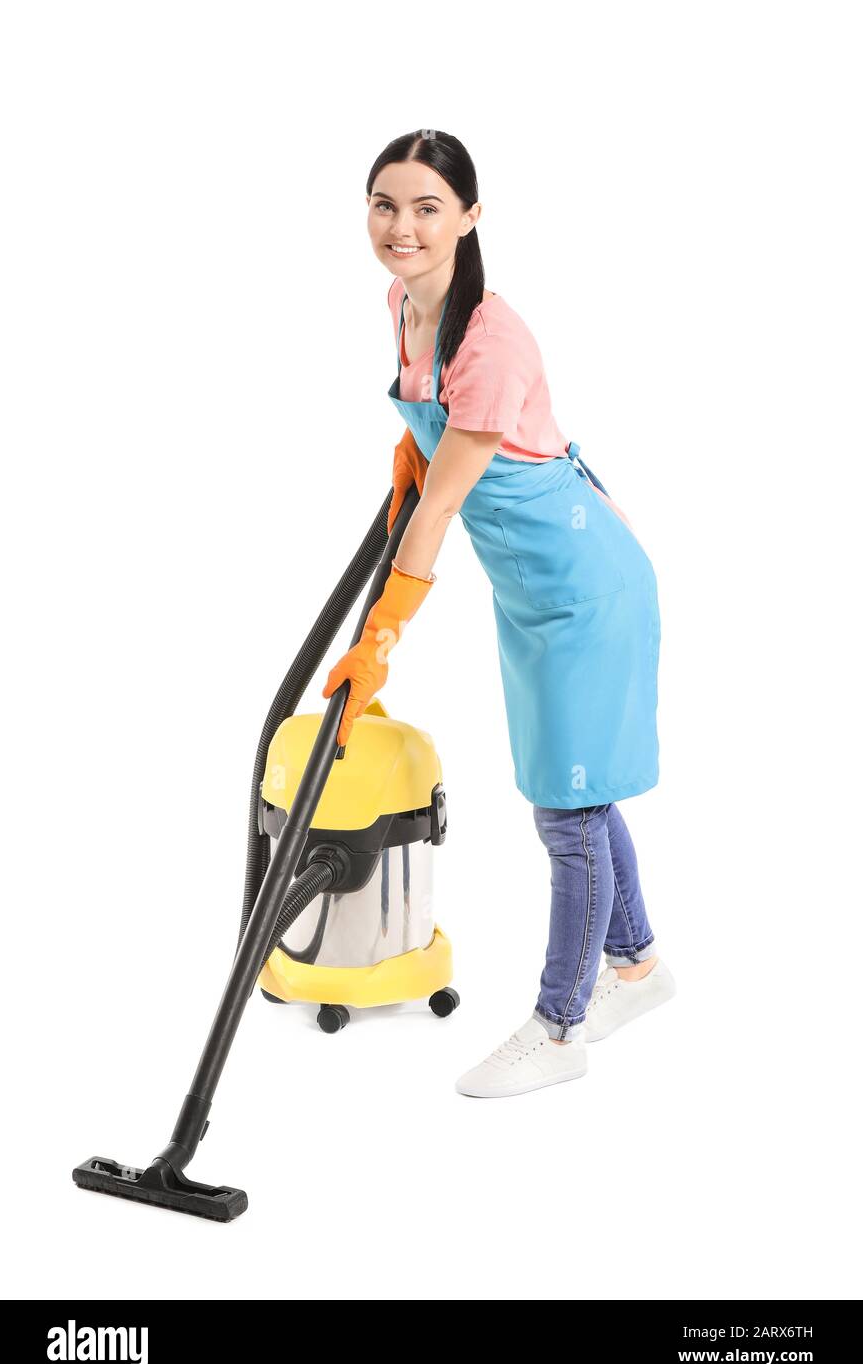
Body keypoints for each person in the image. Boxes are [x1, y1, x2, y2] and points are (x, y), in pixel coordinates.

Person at [323, 129, 675, 1099]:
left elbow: (441, 505)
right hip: (531, 592)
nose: (402, 227)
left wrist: (377, 643)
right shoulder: (403, 302)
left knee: (567, 813)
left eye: (427, 207)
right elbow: (428, 446)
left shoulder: (490, 339)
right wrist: (411, 451)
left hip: (583, 588)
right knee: (576, 789)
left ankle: (559, 1025)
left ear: (469, 217)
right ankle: (636, 966)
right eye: (384, 203)